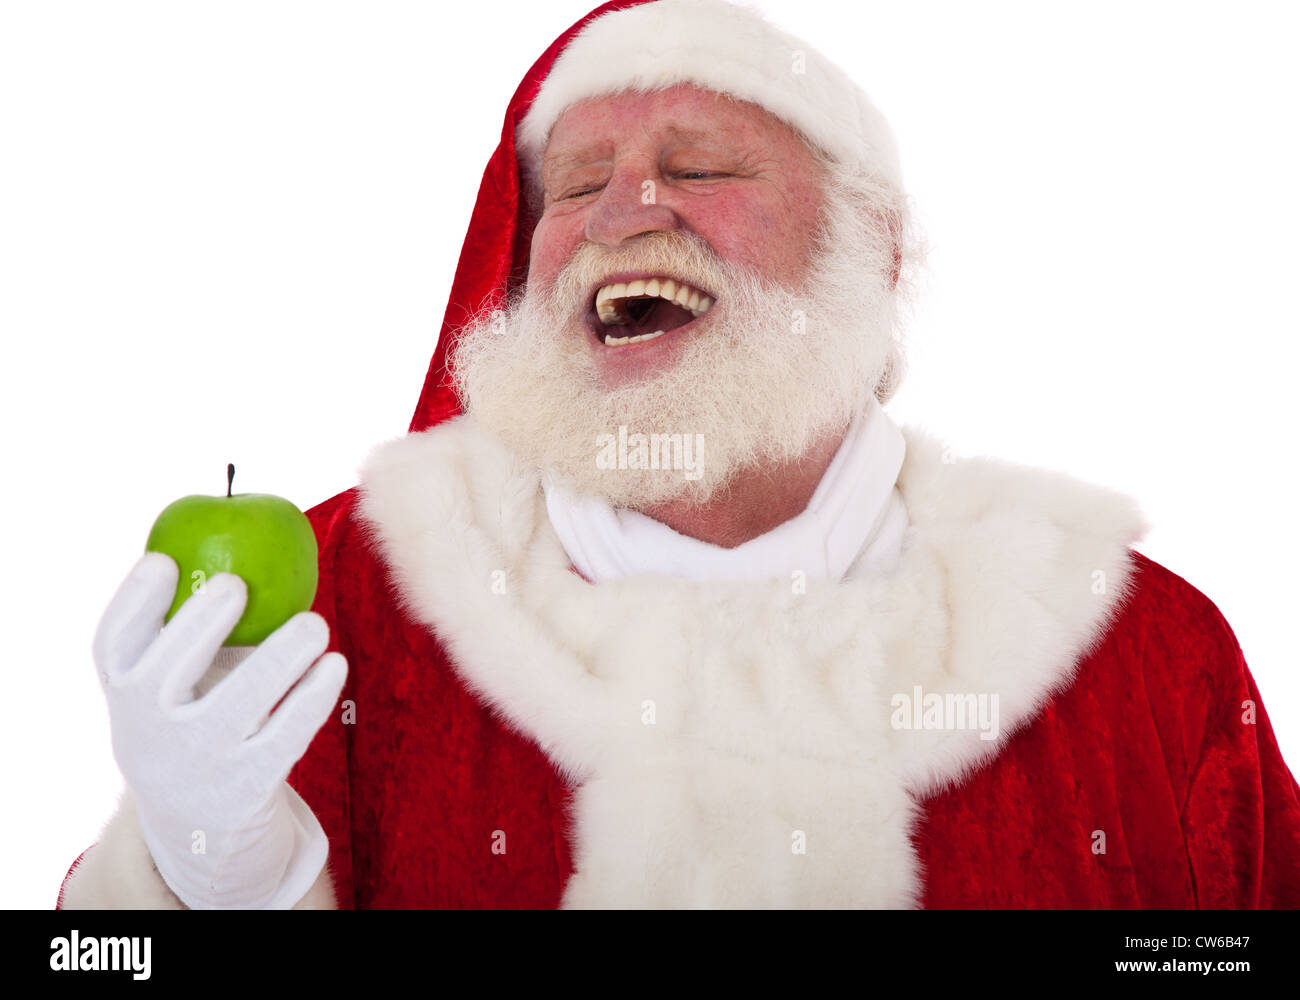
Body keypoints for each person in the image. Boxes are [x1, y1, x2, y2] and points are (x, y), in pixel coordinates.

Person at [58, 0, 1300, 909]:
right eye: (577, 181)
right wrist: (205, 856)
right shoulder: (340, 601)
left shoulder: (1142, 655)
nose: (619, 212)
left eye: (698, 168)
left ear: (874, 252)